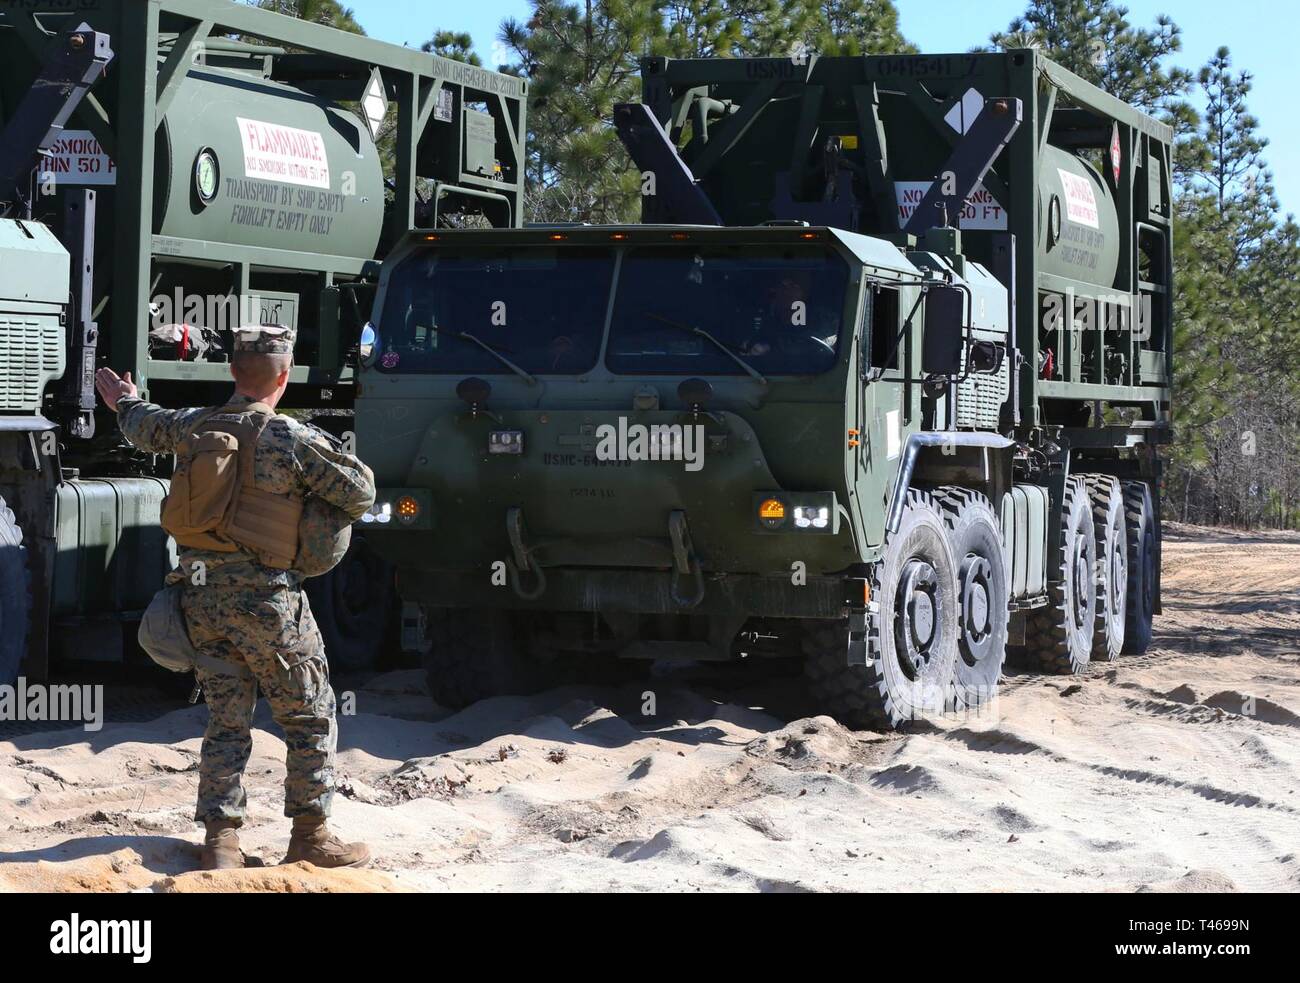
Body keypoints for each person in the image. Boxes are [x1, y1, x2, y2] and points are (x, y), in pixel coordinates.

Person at [94, 326, 377, 871]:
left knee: (226, 719)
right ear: (285, 376)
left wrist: (123, 398)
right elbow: (359, 491)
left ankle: (221, 842)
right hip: (268, 602)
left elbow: (141, 424)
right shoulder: (292, 438)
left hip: (198, 600)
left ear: (232, 373)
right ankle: (311, 837)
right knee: (310, 715)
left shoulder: (192, 426)